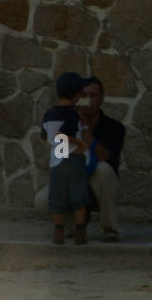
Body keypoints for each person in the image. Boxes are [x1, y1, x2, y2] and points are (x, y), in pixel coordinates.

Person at [41, 72, 90, 245]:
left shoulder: (49, 114)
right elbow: (63, 135)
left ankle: (58, 231)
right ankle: (79, 231)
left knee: (57, 197)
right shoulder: (72, 114)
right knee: (78, 196)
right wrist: (81, 144)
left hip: (57, 159)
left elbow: (48, 137)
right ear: (76, 94)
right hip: (73, 158)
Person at [78, 76, 126, 241]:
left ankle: (109, 228)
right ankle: (76, 225)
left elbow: (103, 156)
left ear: (101, 99)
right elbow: (61, 157)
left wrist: (85, 130)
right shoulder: (69, 125)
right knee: (42, 199)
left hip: (102, 188)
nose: (88, 100)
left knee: (102, 169)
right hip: (76, 183)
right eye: (84, 95)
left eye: (93, 95)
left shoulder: (114, 127)